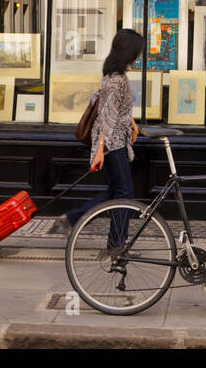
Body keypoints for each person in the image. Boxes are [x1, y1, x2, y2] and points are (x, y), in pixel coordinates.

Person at [59, 28, 143, 250]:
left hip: (111, 142)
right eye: (138, 51)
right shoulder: (119, 80)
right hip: (113, 144)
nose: (139, 55)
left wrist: (131, 122)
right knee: (124, 194)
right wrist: (100, 149)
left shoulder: (110, 76)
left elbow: (112, 109)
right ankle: (116, 243)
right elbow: (108, 116)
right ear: (130, 51)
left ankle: (74, 218)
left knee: (116, 191)